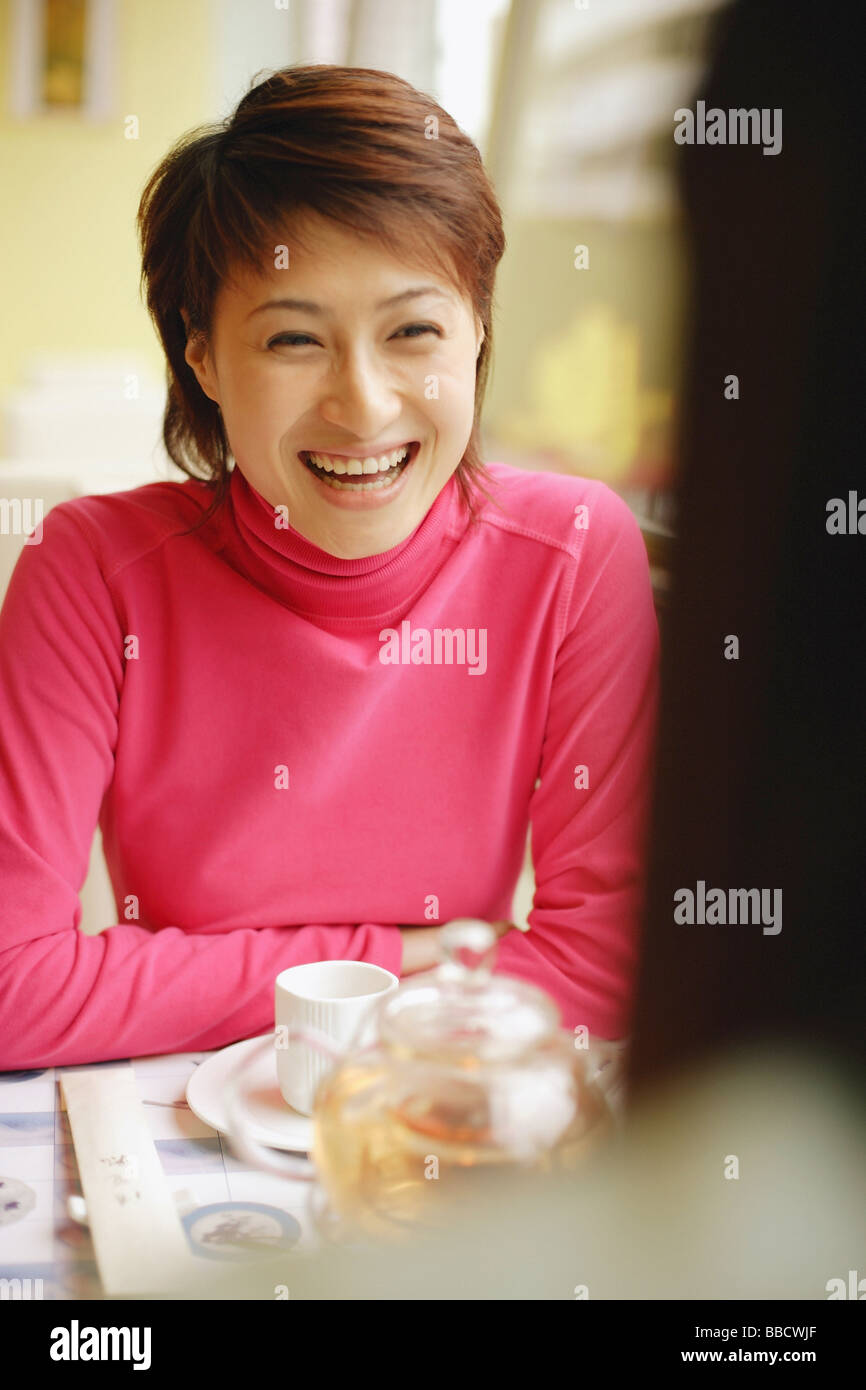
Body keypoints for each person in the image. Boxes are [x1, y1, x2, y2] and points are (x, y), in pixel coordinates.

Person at [0, 66, 659, 1069]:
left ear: (477, 328)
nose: (362, 406)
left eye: (412, 332)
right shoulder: (92, 571)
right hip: (184, 1111)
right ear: (204, 358)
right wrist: (398, 960)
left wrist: (212, 981)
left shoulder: (570, 551)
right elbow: (11, 989)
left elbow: (606, 965)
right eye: (294, 339)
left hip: (430, 1107)